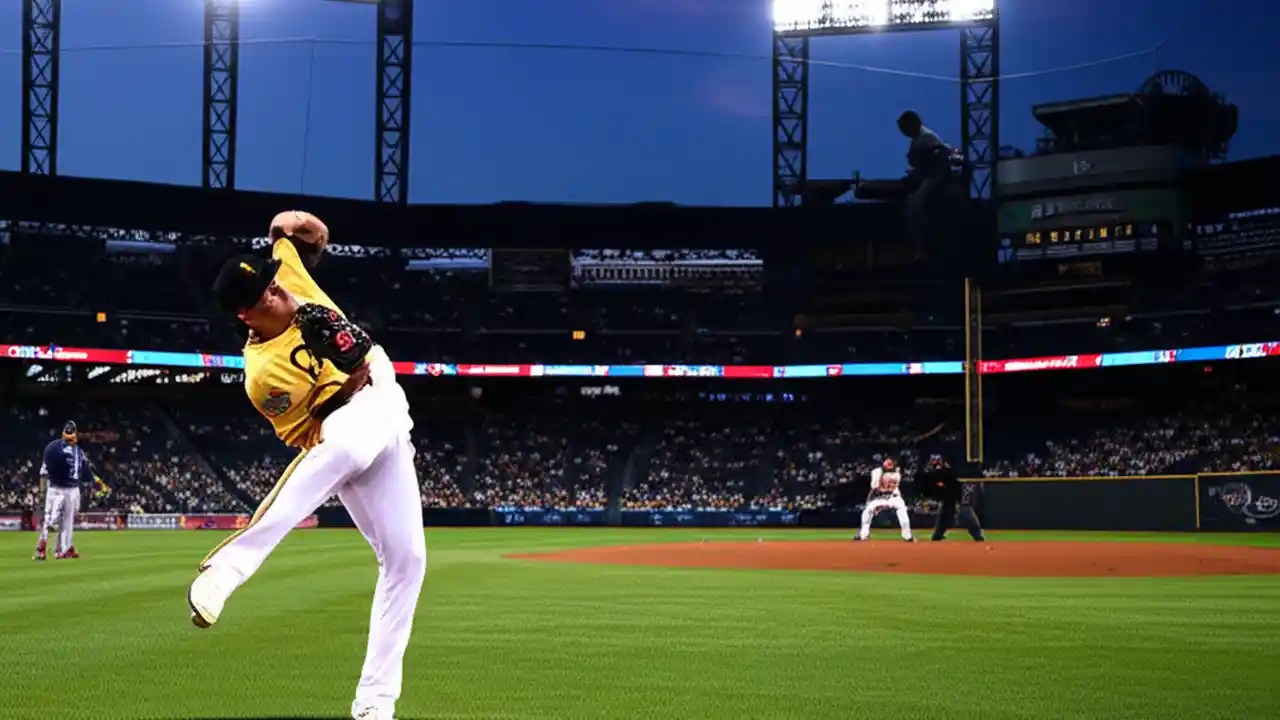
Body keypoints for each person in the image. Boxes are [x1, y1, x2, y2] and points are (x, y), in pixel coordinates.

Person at [187, 211, 426, 720]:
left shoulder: (283, 271)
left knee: (408, 561)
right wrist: (347, 378)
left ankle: (374, 704)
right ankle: (225, 570)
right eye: (266, 296)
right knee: (346, 447)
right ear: (247, 316)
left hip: (385, 397)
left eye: (273, 283)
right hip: (344, 423)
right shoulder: (262, 376)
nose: (279, 292)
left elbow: (287, 231)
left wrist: (302, 228)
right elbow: (312, 432)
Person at [33, 420, 109, 561]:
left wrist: (42, 492)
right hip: (67, 489)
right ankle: (58, 549)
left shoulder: (53, 447)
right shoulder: (77, 451)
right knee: (62, 521)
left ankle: (54, 548)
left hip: (58, 488)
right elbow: (87, 473)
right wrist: (98, 484)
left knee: (54, 520)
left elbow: (43, 472)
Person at [898, 110, 953, 256]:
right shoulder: (917, 139)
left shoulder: (927, 137)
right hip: (928, 176)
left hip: (936, 177)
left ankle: (925, 243)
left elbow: (941, 156)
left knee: (917, 204)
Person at [924, 455, 985, 542]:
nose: (936, 465)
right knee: (944, 514)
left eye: (937, 462)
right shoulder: (938, 472)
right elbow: (938, 484)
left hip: (959, 491)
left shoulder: (949, 469)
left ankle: (978, 535)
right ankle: (937, 535)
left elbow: (944, 482)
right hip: (950, 494)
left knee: (966, 513)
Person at [856, 457, 915, 542]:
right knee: (867, 512)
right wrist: (881, 474)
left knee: (903, 514)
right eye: (887, 462)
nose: (889, 463)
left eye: (891, 462)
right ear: (883, 463)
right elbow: (874, 486)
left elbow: (892, 486)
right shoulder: (877, 471)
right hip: (879, 497)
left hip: (893, 497)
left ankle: (908, 536)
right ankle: (863, 535)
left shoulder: (897, 473)